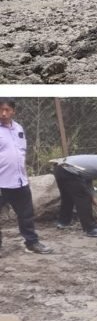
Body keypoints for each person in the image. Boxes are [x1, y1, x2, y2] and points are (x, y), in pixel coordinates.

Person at [0, 98, 53, 255]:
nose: (3, 113)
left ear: (13, 111)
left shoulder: (18, 128)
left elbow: (21, 152)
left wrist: (24, 174)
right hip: (1, 182)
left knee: (26, 214)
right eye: (0, 110)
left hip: (19, 180)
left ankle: (32, 242)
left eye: (7, 110)